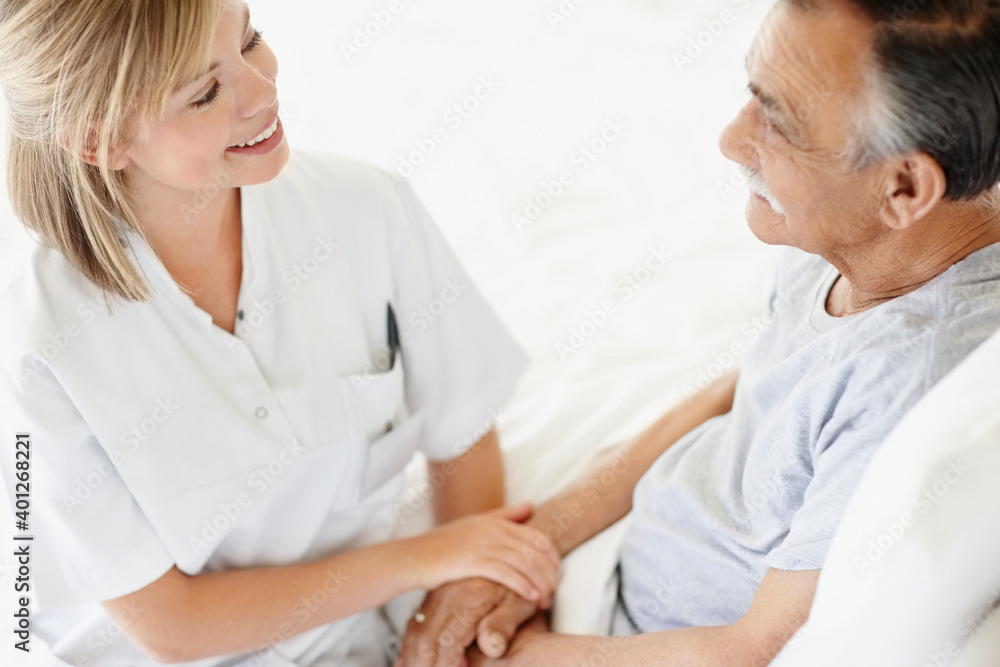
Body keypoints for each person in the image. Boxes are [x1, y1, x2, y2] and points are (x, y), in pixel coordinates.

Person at [396, 0, 1000, 665]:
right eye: (753, 92)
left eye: (780, 122)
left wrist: (515, 655)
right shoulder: (848, 232)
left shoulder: (907, 382)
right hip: (613, 565)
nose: (732, 140)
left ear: (905, 186)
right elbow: (744, 391)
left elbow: (755, 651)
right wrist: (535, 541)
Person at [0, 1, 560, 665]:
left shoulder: (367, 210)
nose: (264, 90)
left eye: (252, 40)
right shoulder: (40, 347)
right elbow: (171, 628)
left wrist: (462, 594)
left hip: (362, 639)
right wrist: (423, 558)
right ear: (100, 141)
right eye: (206, 92)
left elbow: (461, 426)